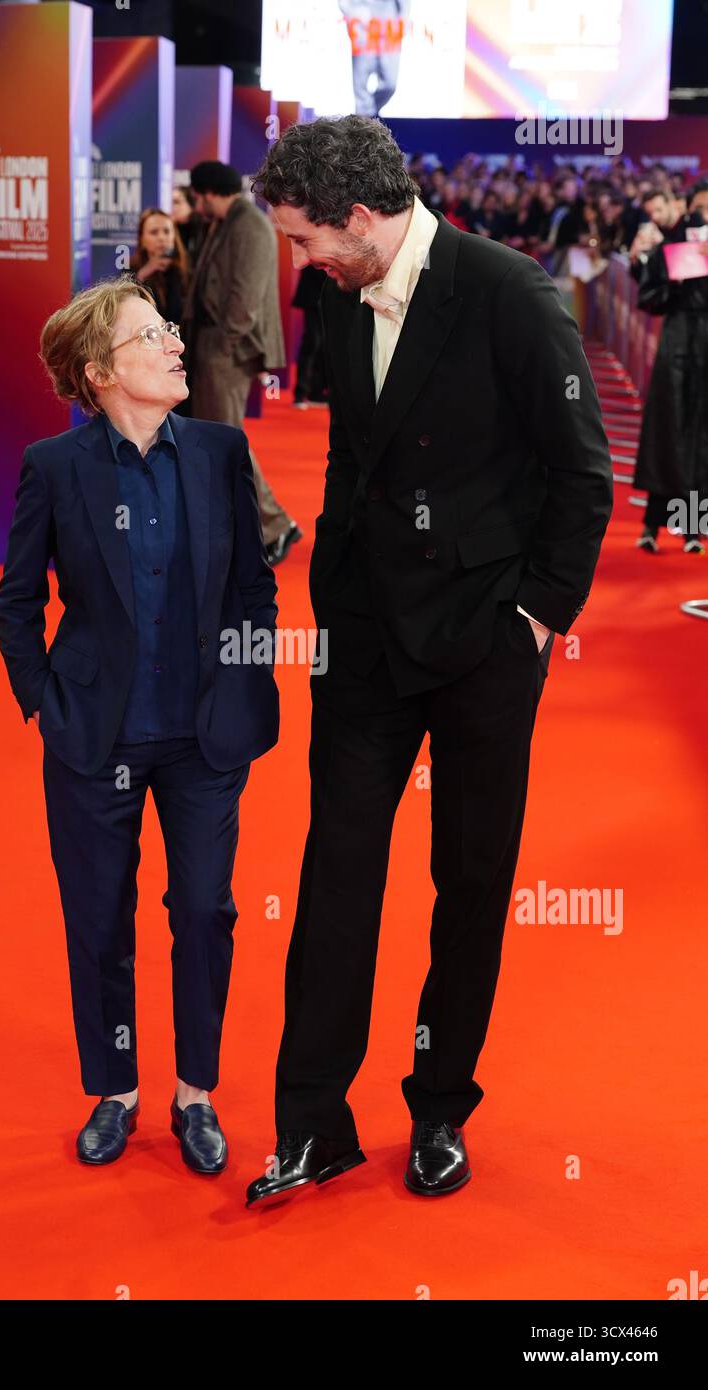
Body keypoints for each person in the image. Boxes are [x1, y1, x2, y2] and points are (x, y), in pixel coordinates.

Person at [246, 115, 612, 1206]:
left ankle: (440, 1107)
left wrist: (533, 621)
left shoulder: (510, 291)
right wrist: (332, 592)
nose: (300, 264)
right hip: (363, 640)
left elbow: (582, 473)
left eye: (308, 240)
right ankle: (310, 1120)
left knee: (472, 882)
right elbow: (351, 454)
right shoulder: (339, 287)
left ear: (359, 219)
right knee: (335, 873)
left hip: (483, 644)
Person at [0, 277, 279, 1175]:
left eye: (168, 330)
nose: (174, 345)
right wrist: (44, 698)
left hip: (203, 740)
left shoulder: (219, 452)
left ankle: (195, 1092)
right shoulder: (55, 467)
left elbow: (251, 587)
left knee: (204, 912)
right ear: (98, 372)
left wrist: (242, 677)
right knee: (97, 919)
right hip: (95, 737)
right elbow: (16, 602)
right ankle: (113, 1090)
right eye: (151, 336)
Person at [183, 160, 302, 566]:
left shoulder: (248, 224)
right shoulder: (226, 222)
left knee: (225, 443)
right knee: (217, 444)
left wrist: (224, 345)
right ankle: (240, 529)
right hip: (214, 347)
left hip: (226, 351)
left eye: (196, 197)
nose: (195, 206)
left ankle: (276, 525)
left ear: (206, 192)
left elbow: (245, 298)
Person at [631, 188, 708, 555]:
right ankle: (651, 526)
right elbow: (648, 297)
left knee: (701, 439)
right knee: (668, 432)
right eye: (700, 208)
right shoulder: (671, 247)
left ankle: (693, 528)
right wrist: (673, 280)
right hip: (676, 346)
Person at [128, 206, 189, 324]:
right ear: (142, 240)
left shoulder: (186, 270)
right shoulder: (130, 272)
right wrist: (142, 275)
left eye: (166, 231)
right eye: (154, 232)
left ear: (174, 237)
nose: (161, 238)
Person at [291, 265, 328, 408]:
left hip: (330, 295)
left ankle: (316, 392)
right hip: (312, 294)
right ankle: (300, 393)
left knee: (325, 345)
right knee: (312, 342)